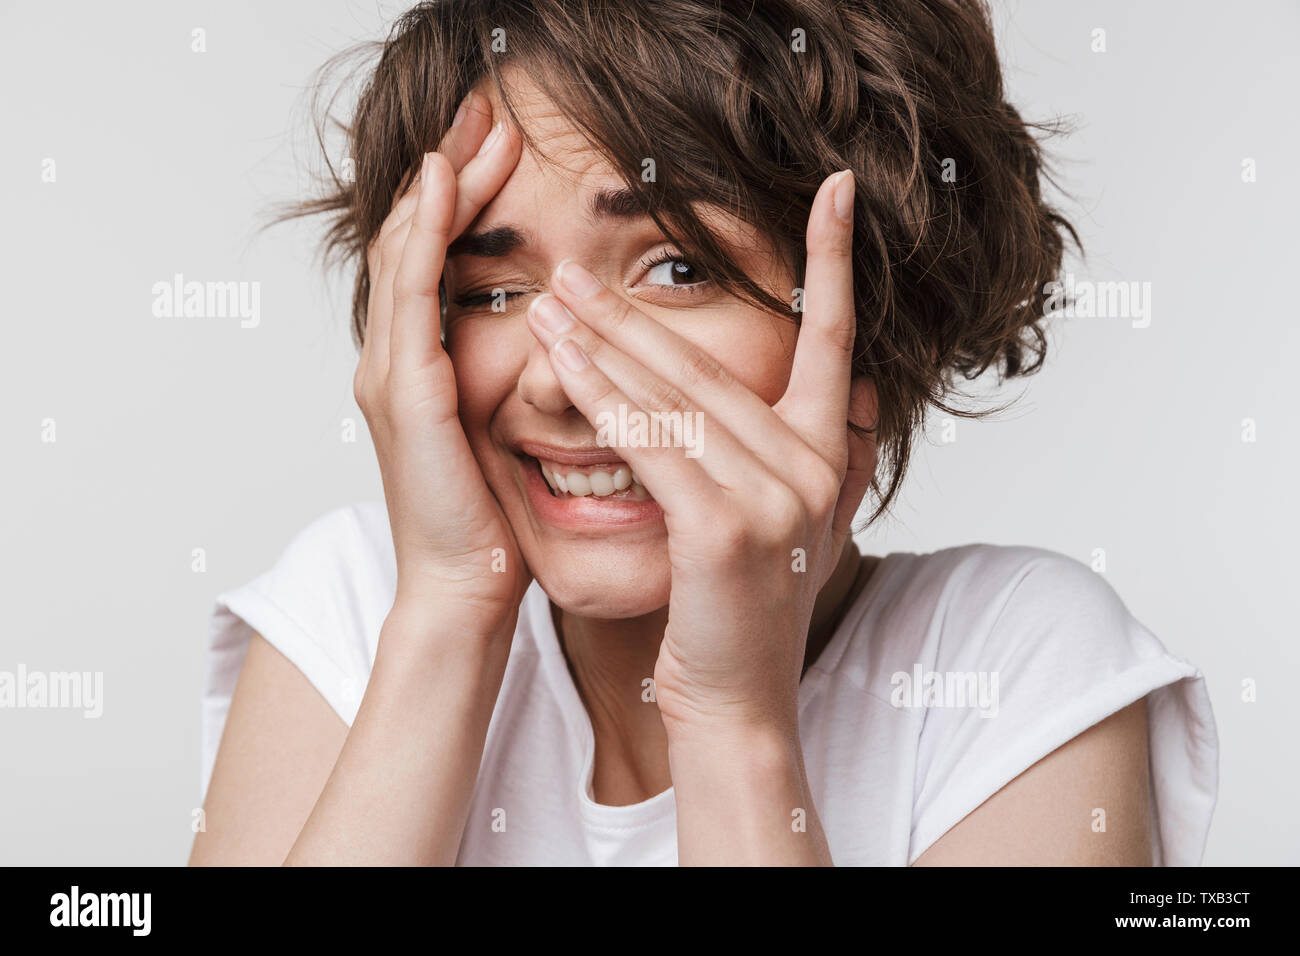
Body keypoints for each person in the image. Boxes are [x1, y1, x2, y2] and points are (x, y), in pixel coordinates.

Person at [190, 0, 1217, 866]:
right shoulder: (352, 610)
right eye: (490, 289)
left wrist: (734, 717)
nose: (555, 375)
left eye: (678, 269)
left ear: (864, 316)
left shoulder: (1014, 662)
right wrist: (450, 616)